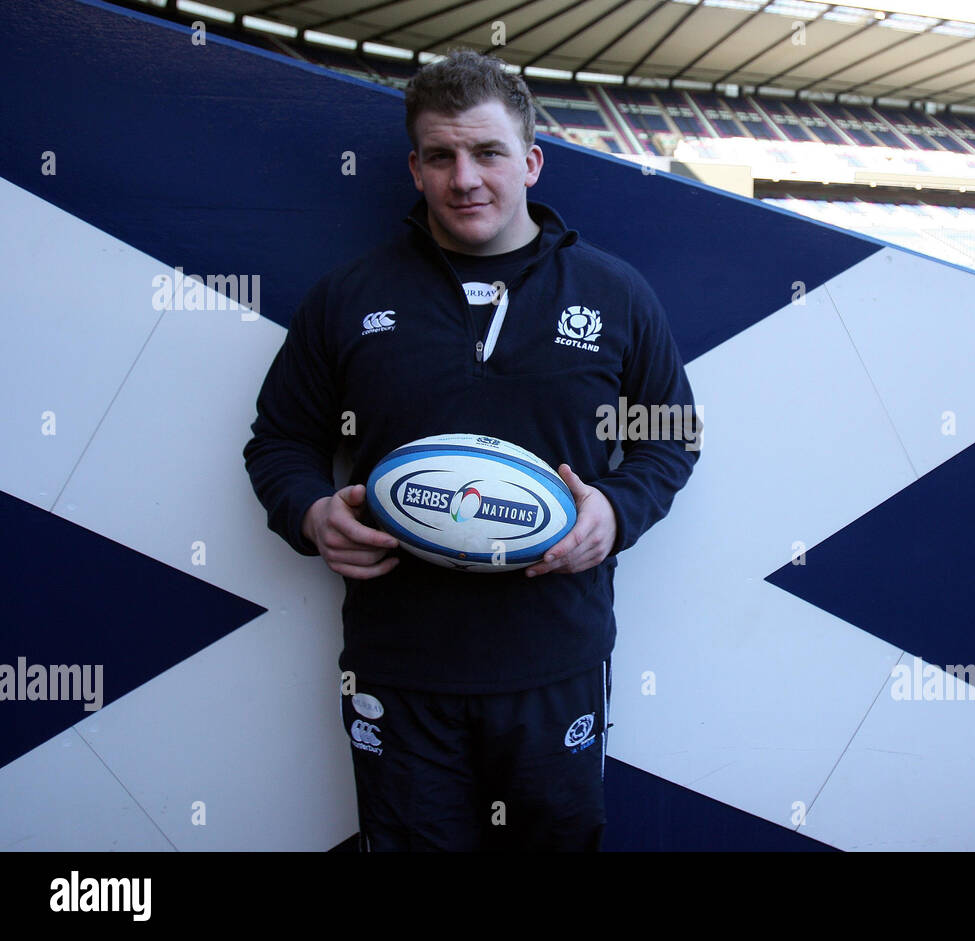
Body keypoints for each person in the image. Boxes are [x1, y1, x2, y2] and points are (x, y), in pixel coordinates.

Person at [242, 50, 700, 851]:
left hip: (555, 665)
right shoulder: (349, 297)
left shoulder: (614, 292)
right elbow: (279, 440)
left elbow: (672, 436)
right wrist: (314, 515)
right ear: (414, 169)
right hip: (400, 670)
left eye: (488, 153)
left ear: (530, 161)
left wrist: (615, 513)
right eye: (442, 156)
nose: (467, 179)